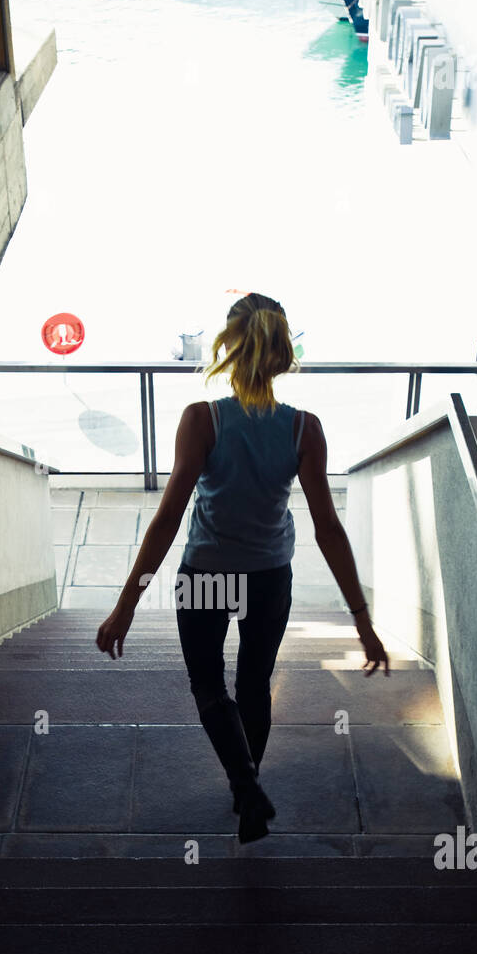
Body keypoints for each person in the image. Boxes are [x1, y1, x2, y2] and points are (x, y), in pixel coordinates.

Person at [96, 292, 389, 844]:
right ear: (281, 354)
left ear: (228, 347)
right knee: (254, 685)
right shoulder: (306, 429)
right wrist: (361, 619)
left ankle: (244, 780)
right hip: (269, 577)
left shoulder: (201, 420)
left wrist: (125, 606)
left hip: (207, 572)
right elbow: (329, 528)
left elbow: (166, 521)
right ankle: (245, 789)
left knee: (208, 684)